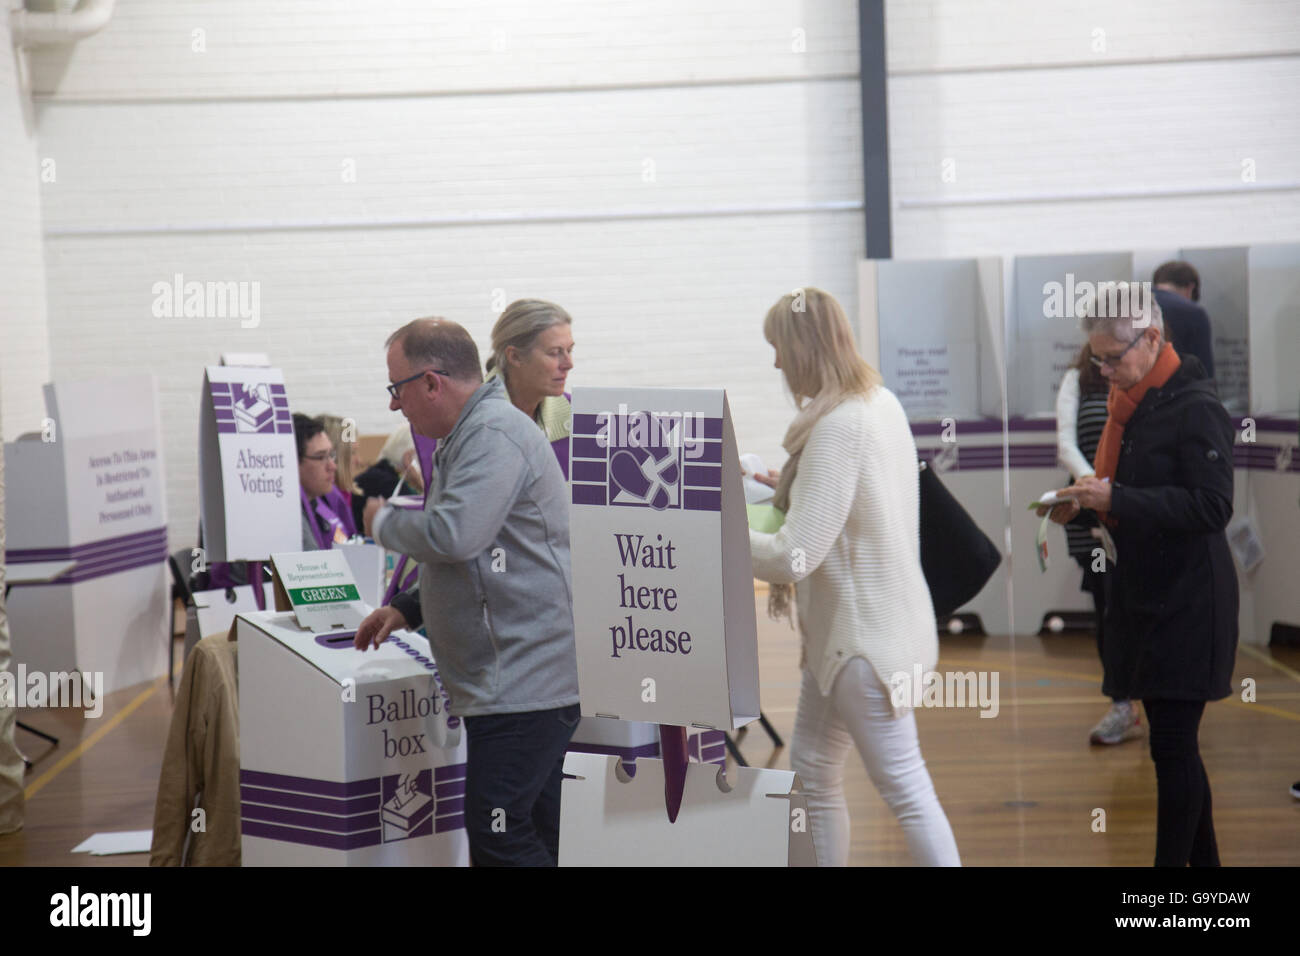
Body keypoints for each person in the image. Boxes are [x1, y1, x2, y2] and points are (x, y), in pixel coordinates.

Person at [355, 317, 580, 867]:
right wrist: (408, 608)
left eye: (397, 389)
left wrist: (382, 523)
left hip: (524, 682)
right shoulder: (475, 434)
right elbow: (477, 550)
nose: (393, 407)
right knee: (533, 827)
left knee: (499, 833)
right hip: (523, 678)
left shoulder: (493, 435)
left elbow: (455, 535)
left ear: (432, 383)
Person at [748, 288, 961, 868]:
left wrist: (715, 537)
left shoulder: (839, 425)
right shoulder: (877, 402)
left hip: (860, 645)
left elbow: (795, 556)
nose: (774, 363)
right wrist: (787, 487)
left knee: (906, 790)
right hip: (869, 633)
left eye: (777, 348)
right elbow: (852, 506)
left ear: (802, 347)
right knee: (813, 771)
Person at [1045, 285, 1237, 866]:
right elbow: (1134, 495)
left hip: (1190, 603)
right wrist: (1088, 501)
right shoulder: (1134, 402)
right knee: (1176, 751)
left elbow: (1212, 507)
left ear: (1152, 339)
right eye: (1096, 358)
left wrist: (1119, 497)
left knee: (1172, 749)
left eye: (1113, 356)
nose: (1103, 370)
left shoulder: (1195, 407)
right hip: (1147, 597)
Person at [1055, 343, 1140, 745]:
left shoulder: (1142, 379)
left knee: (1144, 604)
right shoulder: (1077, 380)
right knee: (1107, 605)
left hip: (1137, 512)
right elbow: (1066, 444)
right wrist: (1096, 484)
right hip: (1091, 515)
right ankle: (1121, 704)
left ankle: (1158, 701)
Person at [484, 298, 576, 478]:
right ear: (515, 356)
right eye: (554, 353)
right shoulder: (472, 419)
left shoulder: (576, 414)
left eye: (569, 350)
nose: (568, 364)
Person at [293, 413, 356, 550]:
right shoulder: (289, 520)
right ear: (293, 461)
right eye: (321, 457)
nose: (333, 466)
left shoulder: (316, 503)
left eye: (331, 455)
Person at [1152, 261, 1214, 378]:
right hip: (1178, 390)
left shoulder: (1133, 304)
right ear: (1191, 288)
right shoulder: (1194, 313)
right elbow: (1204, 370)